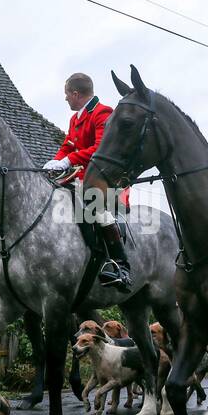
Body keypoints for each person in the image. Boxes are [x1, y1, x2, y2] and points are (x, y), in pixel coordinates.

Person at [41, 73, 129, 288]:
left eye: (66, 95)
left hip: (103, 178)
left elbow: (100, 148)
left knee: (98, 211)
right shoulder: (75, 119)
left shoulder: (102, 113)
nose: (65, 99)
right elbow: (68, 146)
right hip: (78, 177)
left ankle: (121, 265)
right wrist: (54, 162)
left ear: (76, 93)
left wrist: (69, 160)